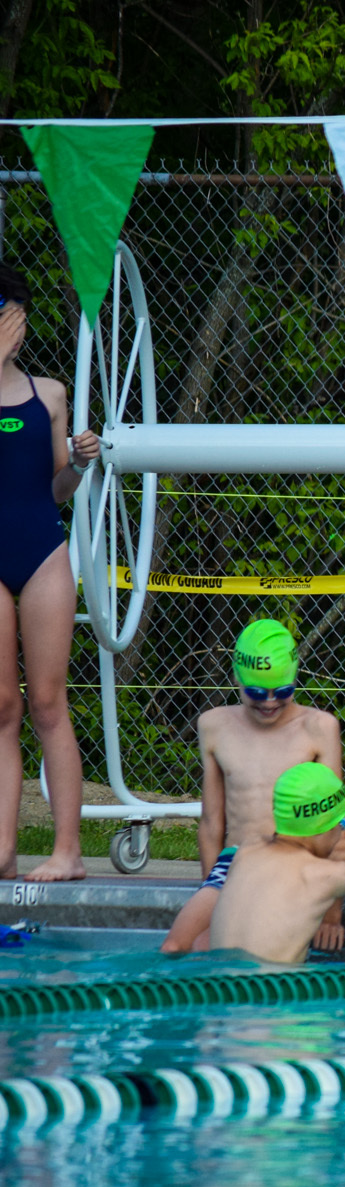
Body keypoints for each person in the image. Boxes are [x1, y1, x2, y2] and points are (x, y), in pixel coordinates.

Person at [161, 620, 345, 954]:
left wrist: (331, 914)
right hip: (235, 863)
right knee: (179, 946)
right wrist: (213, 892)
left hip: (293, 863)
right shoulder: (215, 725)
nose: (270, 702)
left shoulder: (318, 727)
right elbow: (211, 822)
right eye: (257, 693)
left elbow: (334, 822)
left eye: (283, 691)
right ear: (237, 678)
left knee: (241, 948)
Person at [0, 267, 102, 882]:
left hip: (41, 551)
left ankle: (68, 851)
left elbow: (56, 490)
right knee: (0, 707)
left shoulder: (50, 395)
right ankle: (3, 850)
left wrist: (81, 465)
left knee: (47, 702)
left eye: (14, 313)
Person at [209, 763, 345, 963]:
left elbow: (323, 849)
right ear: (327, 825)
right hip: (275, 992)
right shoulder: (326, 875)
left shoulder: (247, 849)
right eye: (343, 824)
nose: (340, 834)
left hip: (216, 986)